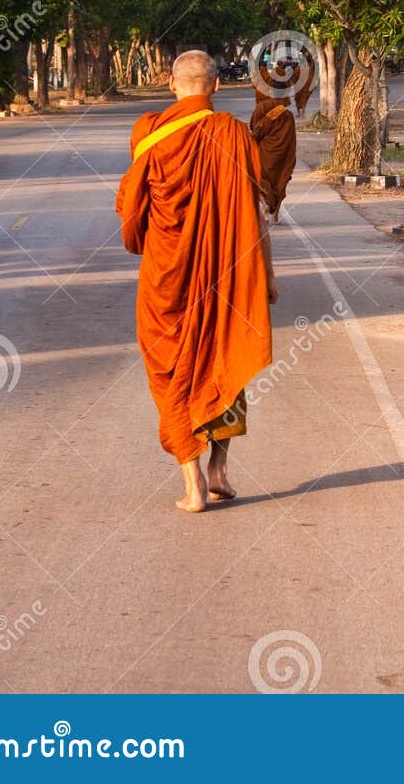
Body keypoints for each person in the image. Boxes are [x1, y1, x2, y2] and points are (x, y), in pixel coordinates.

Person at [115, 49, 277, 513]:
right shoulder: (234, 135)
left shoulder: (148, 133)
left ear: (171, 84)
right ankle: (220, 467)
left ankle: (193, 483)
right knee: (221, 355)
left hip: (165, 279)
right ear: (217, 86)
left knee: (171, 370)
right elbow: (254, 213)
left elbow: (131, 212)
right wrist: (266, 274)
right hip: (223, 273)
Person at [248, 57, 313, 223]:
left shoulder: (262, 107)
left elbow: (255, 128)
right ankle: (275, 214)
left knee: (261, 179)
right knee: (280, 183)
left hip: (265, 153)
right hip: (283, 156)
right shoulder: (287, 114)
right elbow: (291, 139)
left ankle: (265, 205)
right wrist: (290, 157)